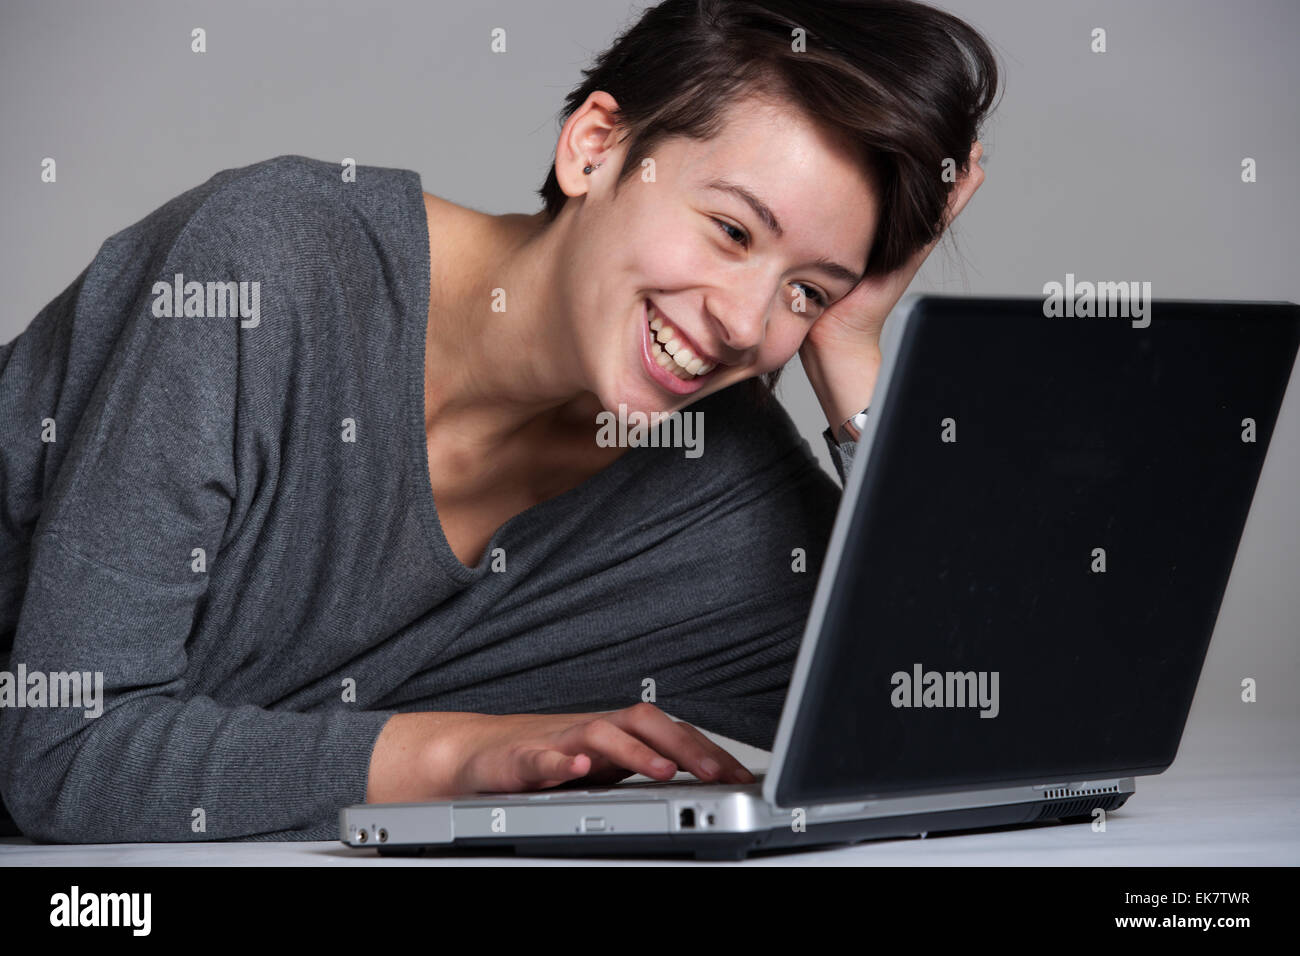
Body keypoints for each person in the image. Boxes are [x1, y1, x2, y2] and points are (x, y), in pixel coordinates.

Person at [0, 0, 996, 842]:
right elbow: (64, 747)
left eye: (804, 291)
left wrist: (855, 356)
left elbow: (970, 716)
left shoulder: (716, 493)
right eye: (732, 230)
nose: (744, 321)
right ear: (595, 147)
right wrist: (467, 755)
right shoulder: (272, 269)